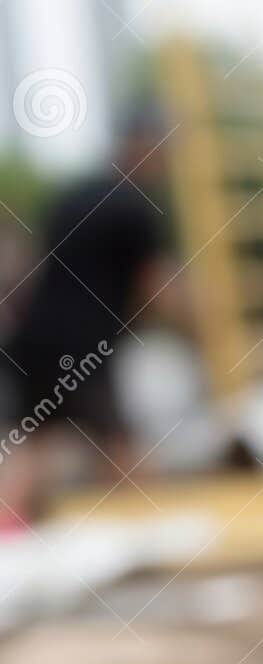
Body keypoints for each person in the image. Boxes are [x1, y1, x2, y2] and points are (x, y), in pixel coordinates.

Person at [0, 108, 173, 528]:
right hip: (84, 345)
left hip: (35, 337)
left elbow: (31, 269)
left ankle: (9, 531)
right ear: (145, 148)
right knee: (118, 444)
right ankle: (151, 532)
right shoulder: (138, 208)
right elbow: (157, 290)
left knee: (32, 441)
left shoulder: (72, 195)